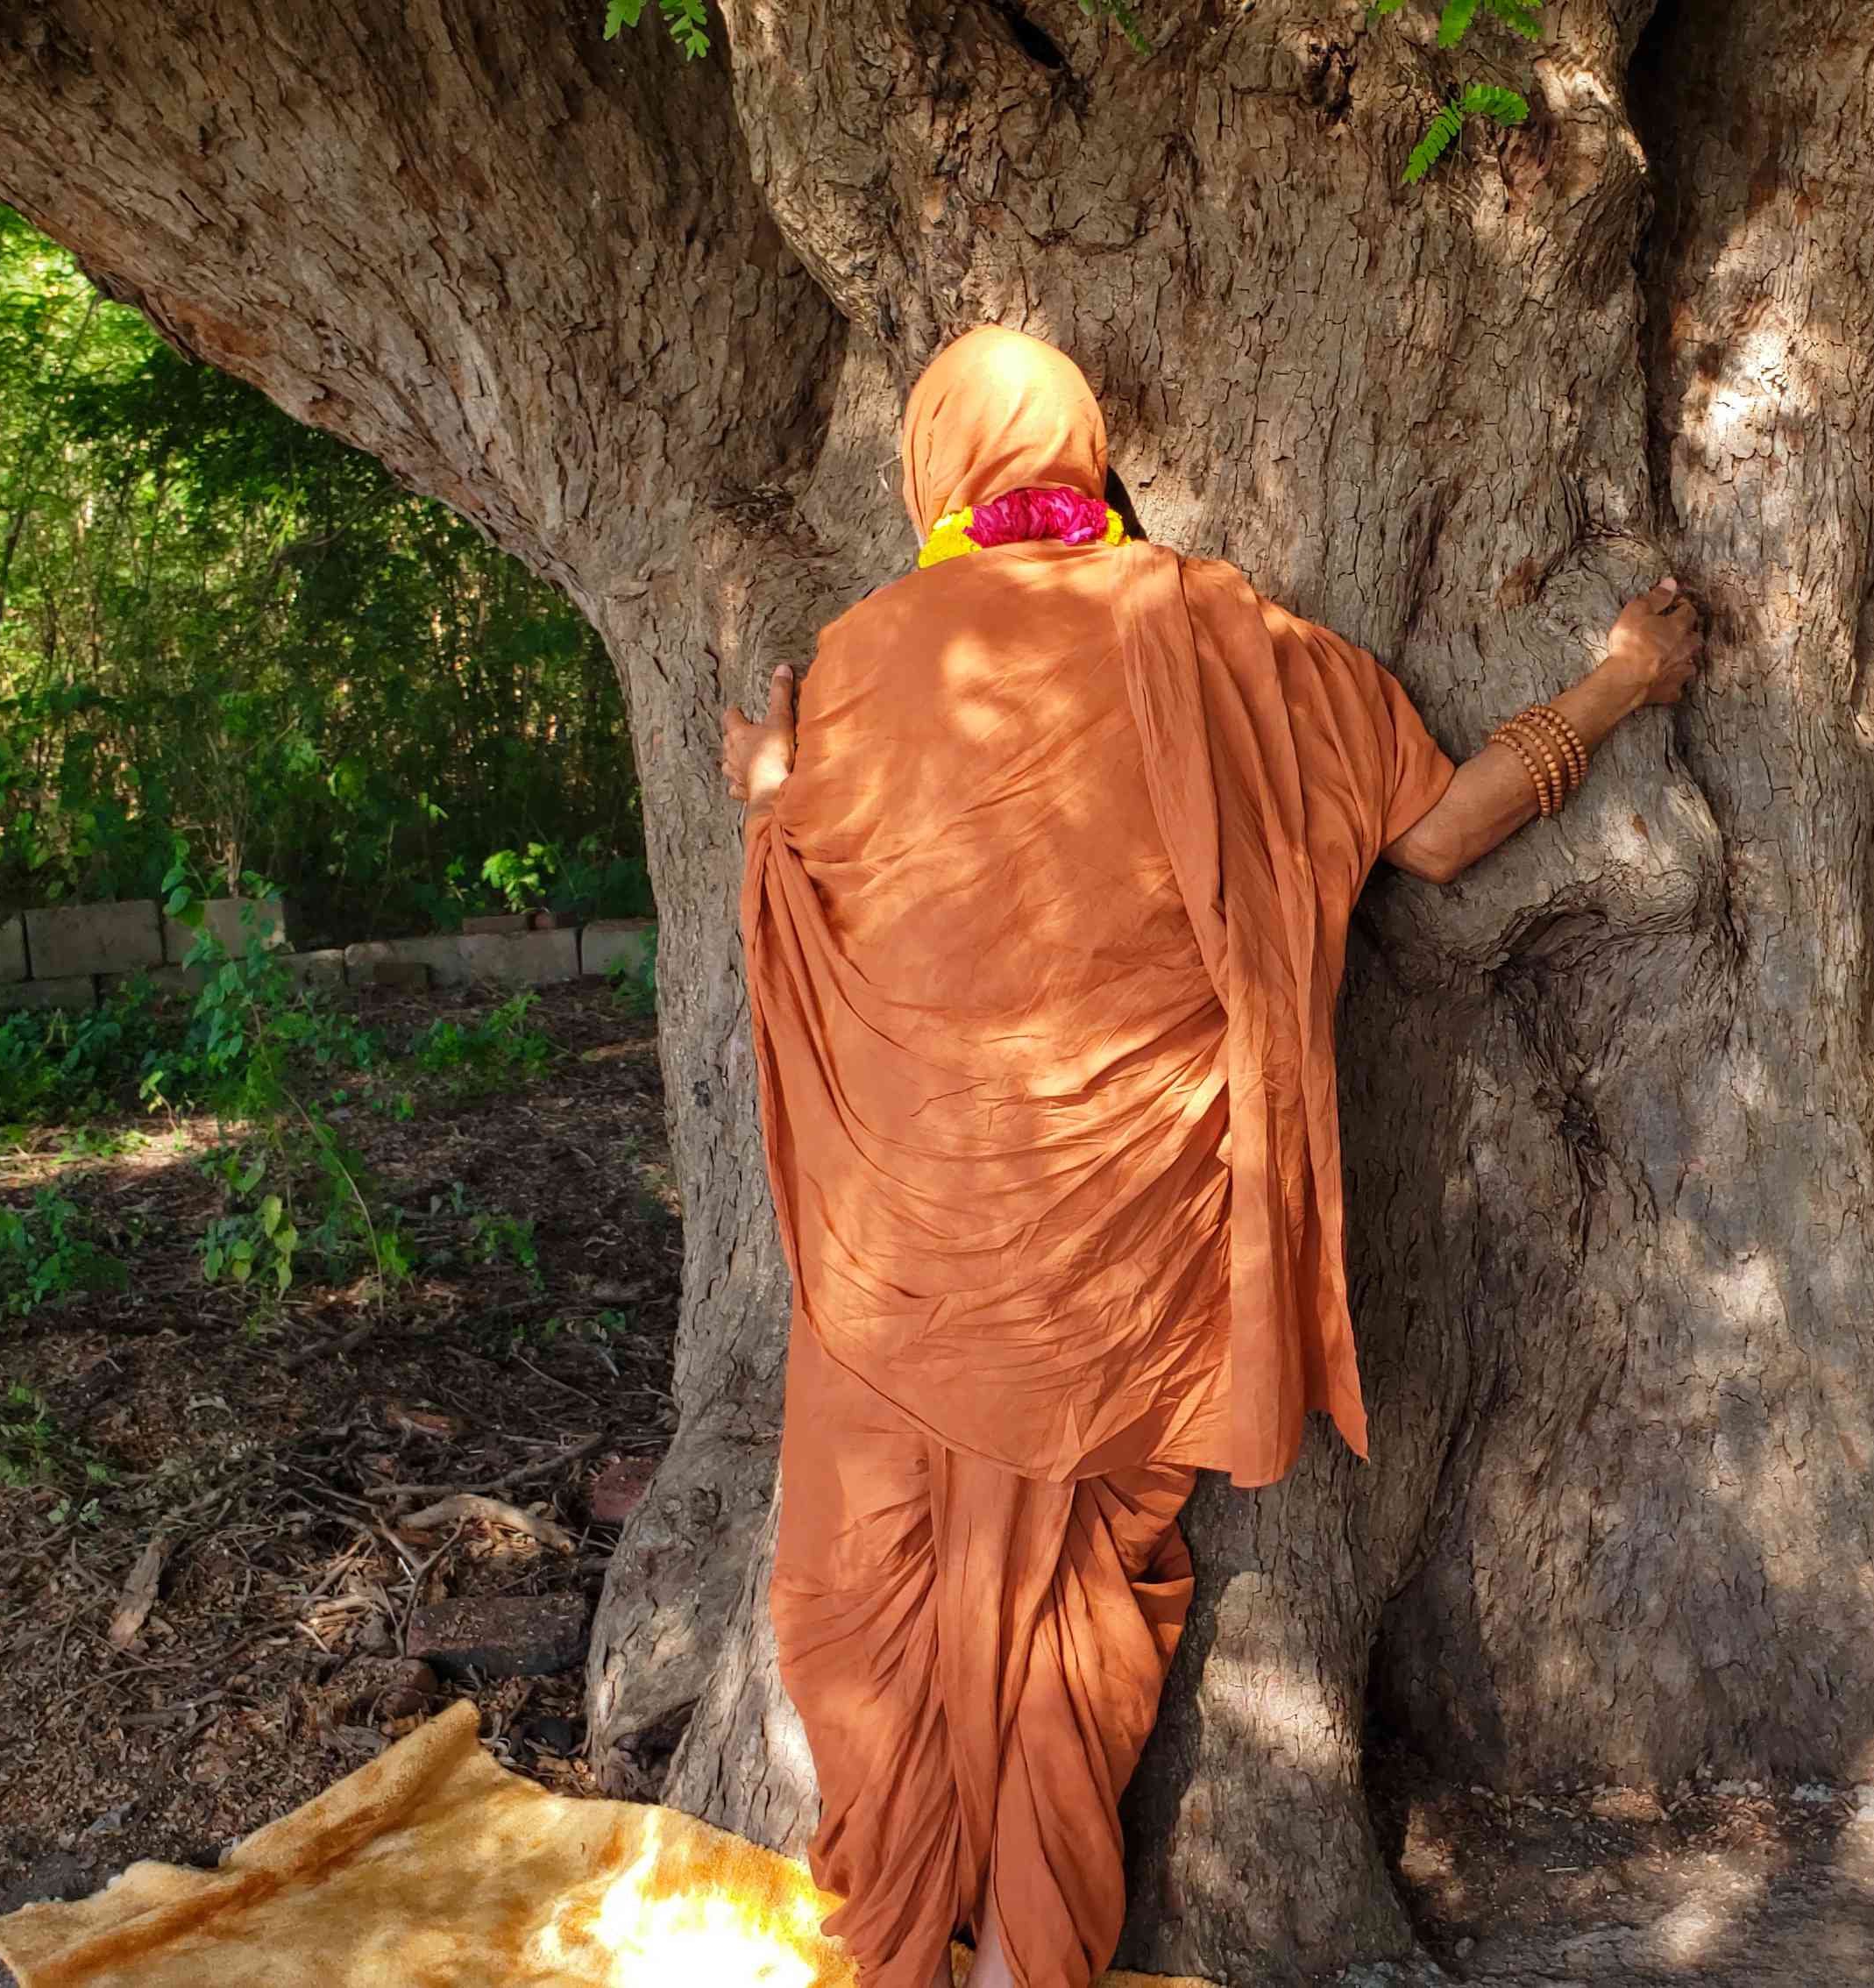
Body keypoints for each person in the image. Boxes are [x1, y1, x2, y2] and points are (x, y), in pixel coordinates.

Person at [720, 327, 1701, 1988]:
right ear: (1086, 457)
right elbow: (1447, 832)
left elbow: (798, 862)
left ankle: (894, 1944)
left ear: (930, 468)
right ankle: (1039, 1950)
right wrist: (1618, 683)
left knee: (854, 1599)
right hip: (1131, 1252)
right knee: (1079, 1612)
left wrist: (764, 791)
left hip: (908, 1273)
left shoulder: (857, 664)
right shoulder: (1220, 633)